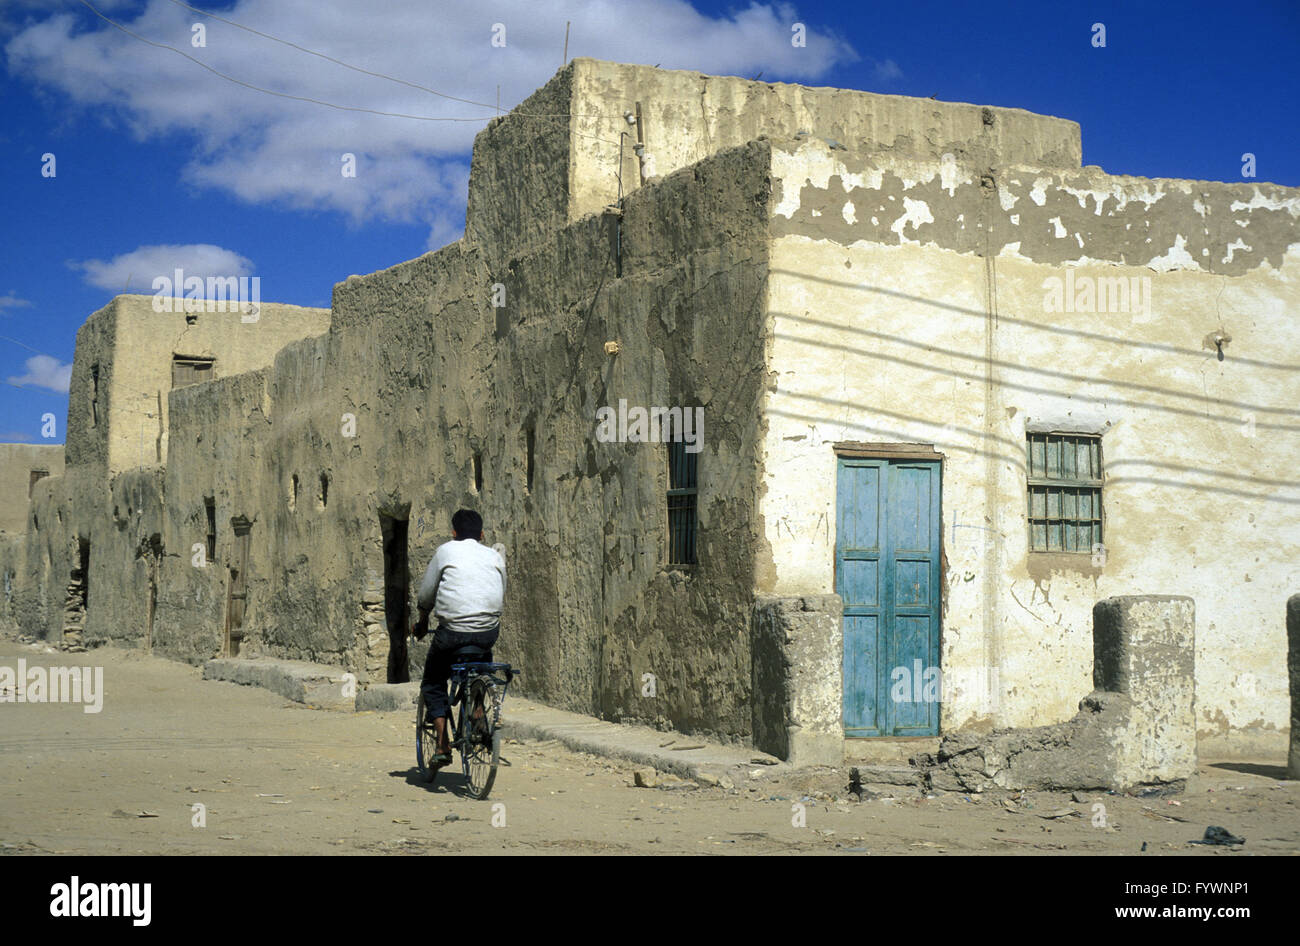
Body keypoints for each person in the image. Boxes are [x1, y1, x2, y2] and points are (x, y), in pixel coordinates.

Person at [412, 509, 505, 764]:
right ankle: (476, 708)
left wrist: (422, 622)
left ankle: (442, 745)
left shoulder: (446, 551)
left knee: (433, 680)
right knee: (482, 661)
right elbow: (500, 591)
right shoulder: (494, 556)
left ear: (454, 534)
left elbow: (427, 594)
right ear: (482, 534)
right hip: (487, 631)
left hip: (451, 633)